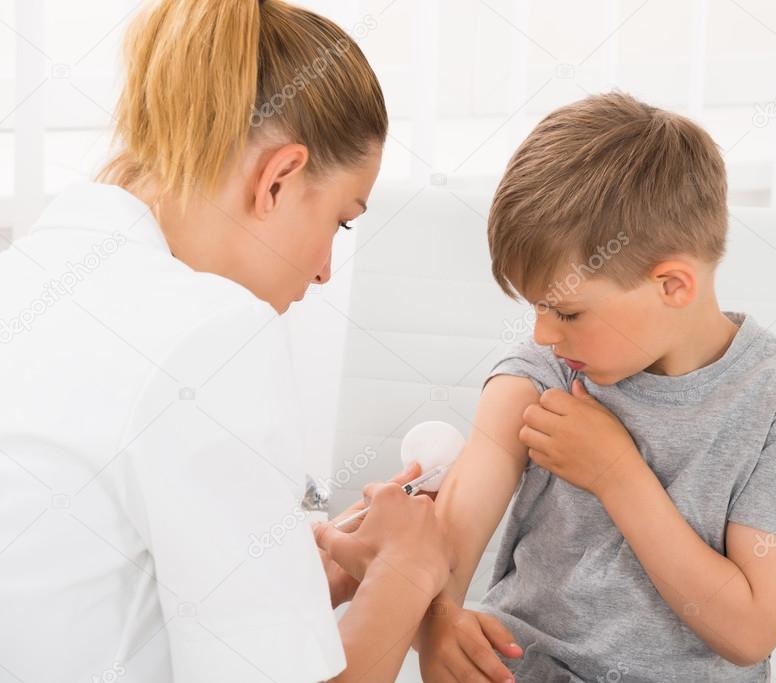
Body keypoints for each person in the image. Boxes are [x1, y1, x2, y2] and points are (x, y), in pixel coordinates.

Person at [0, 1, 450, 681]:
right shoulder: (210, 335)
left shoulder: (35, 270)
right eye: (341, 220)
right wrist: (409, 569)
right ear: (278, 178)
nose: (326, 269)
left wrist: (281, 587)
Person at [414, 93, 776, 682]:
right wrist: (437, 618)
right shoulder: (542, 371)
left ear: (672, 285)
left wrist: (618, 476)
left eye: (567, 312)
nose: (541, 332)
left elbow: (749, 632)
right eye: (537, 308)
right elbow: (454, 536)